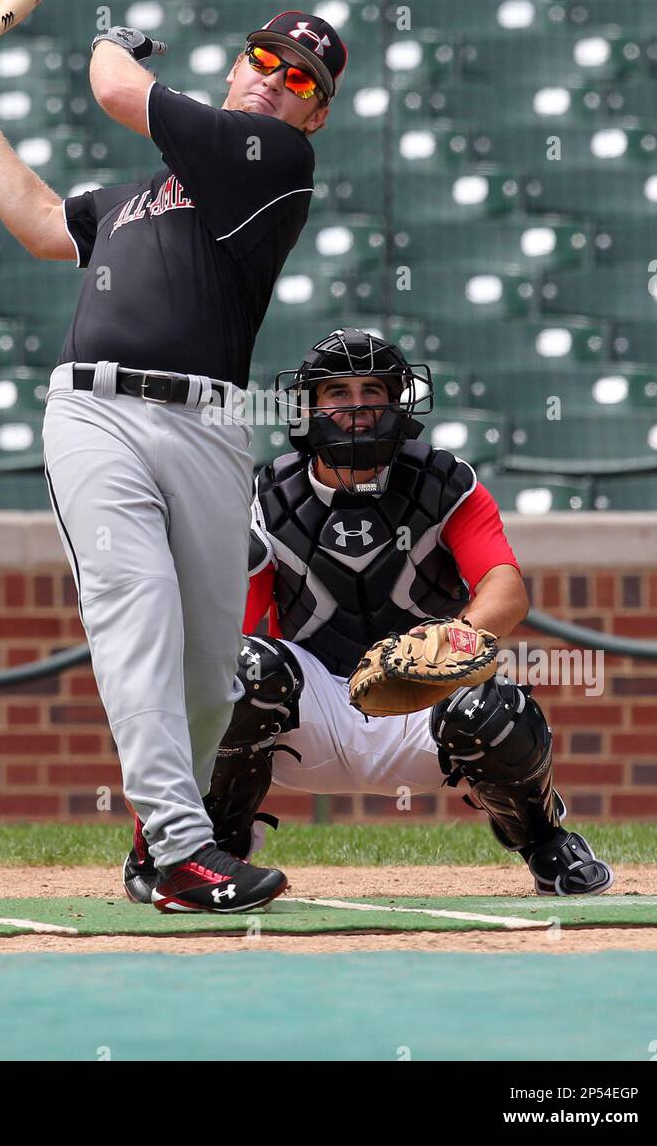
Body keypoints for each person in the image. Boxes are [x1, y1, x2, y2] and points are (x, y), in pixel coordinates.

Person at [0, 10, 348, 914]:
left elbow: (115, 86)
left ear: (314, 115)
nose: (275, 78)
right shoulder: (138, 194)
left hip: (209, 429)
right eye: (264, 59)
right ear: (237, 66)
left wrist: (110, 36)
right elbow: (42, 223)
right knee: (137, 614)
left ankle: (160, 846)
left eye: (301, 78)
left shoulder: (273, 162)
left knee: (209, 674)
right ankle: (187, 849)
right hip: (95, 414)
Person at [124, 327, 614, 902]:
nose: (356, 409)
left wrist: (458, 638)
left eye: (372, 392)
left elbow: (505, 587)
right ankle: (213, 851)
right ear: (309, 407)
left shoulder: (444, 483)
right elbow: (229, 627)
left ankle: (544, 842)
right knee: (241, 670)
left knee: (497, 705)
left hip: (423, 705)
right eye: (338, 393)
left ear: (396, 403)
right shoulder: (264, 496)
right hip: (314, 715)